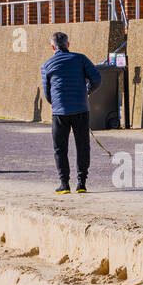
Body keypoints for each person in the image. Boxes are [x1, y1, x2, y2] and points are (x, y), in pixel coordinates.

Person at [41, 31, 102, 194]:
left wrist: (56, 103)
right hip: (81, 109)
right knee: (82, 146)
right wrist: (87, 91)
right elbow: (97, 79)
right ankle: (81, 183)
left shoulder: (47, 65)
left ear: (52, 47)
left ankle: (64, 184)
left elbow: (47, 93)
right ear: (68, 45)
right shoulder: (81, 58)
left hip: (59, 112)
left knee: (60, 148)